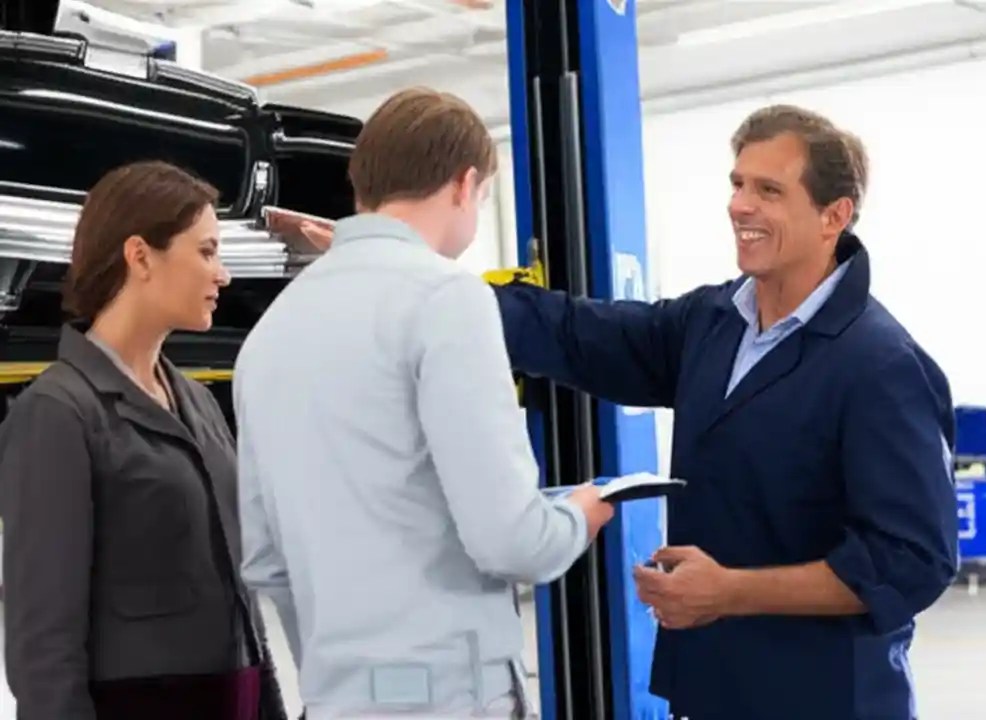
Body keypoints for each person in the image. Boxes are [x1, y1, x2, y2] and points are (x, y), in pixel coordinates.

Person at [490, 105, 958, 719]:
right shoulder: (712, 323)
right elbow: (583, 333)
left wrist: (730, 591)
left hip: (824, 700)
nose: (741, 205)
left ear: (833, 216)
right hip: (711, 690)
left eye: (769, 190)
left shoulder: (879, 364)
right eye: (738, 184)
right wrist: (440, 294)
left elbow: (911, 562)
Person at [232, 87, 615, 720]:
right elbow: (509, 539)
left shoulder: (269, 334)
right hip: (452, 697)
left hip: (334, 700)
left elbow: (265, 560)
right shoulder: (447, 300)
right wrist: (579, 515)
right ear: (466, 186)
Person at [0, 160, 290, 720]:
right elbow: (43, 650)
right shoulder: (57, 414)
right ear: (140, 256)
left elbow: (240, 600)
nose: (223, 274)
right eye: (206, 251)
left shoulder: (198, 403)